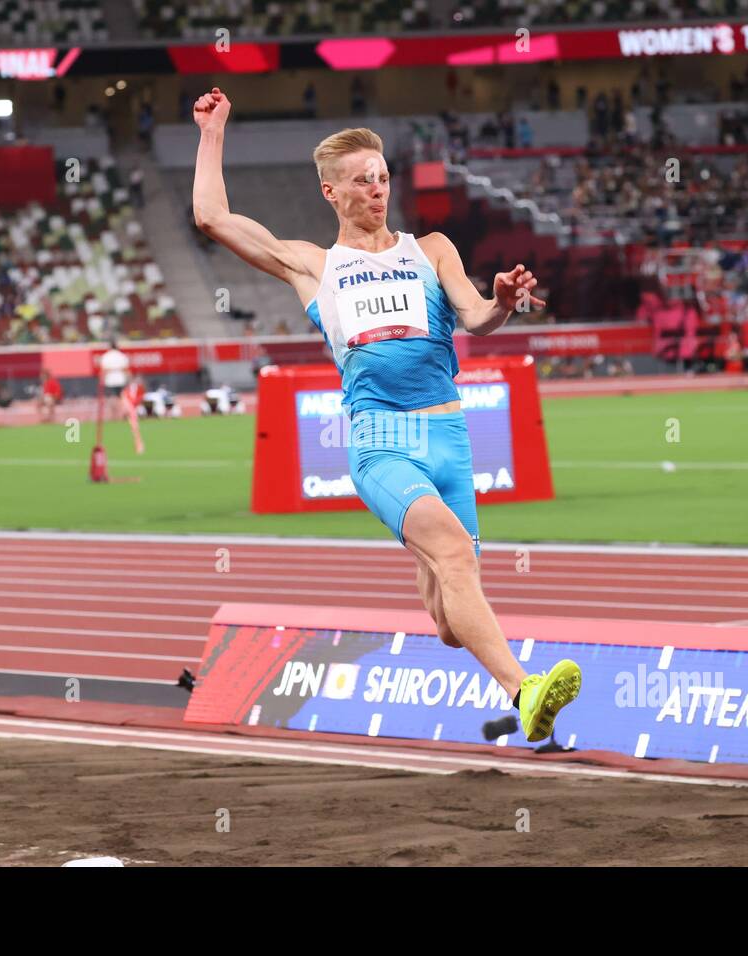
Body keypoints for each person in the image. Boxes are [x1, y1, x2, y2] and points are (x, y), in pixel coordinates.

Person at [190, 87, 581, 742]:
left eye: (383, 178)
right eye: (362, 181)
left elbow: (478, 317)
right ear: (330, 193)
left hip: (451, 436)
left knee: (455, 625)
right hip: (381, 441)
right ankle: (526, 690)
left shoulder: (431, 249)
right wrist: (213, 132)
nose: (377, 190)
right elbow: (212, 217)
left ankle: (445, 589)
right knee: (454, 553)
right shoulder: (315, 265)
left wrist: (504, 301)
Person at [98, 339, 130, 419]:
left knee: (113, 398)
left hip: (110, 380)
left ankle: (116, 414)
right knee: (121, 397)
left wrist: (101, 380)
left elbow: (103, 370)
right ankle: (122, 413)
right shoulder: (122, 356)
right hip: (121, 379)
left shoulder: (106, 356)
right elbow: (126, 370)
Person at [121, 374, 145, 455]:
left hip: (133, 409)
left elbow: (136, 398)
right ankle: (139, 446)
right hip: (131, 409)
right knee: (134, 428)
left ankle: (139, 446)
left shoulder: (135, 389)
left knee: (135, 428)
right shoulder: (128, 390)